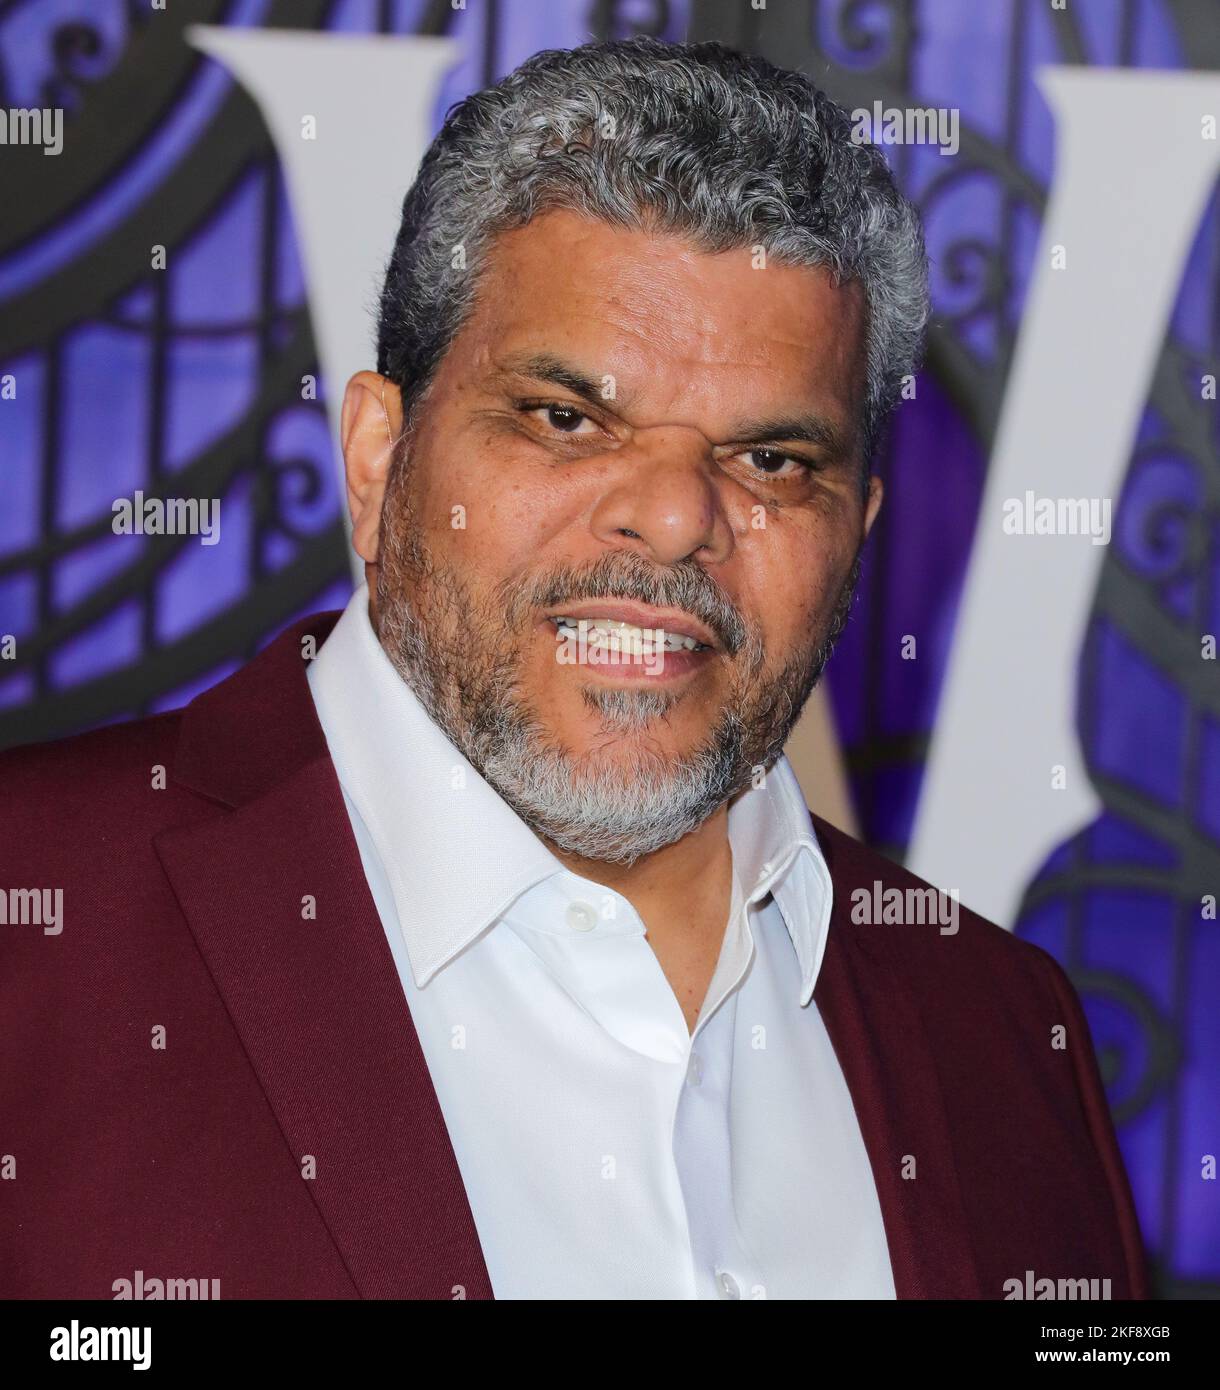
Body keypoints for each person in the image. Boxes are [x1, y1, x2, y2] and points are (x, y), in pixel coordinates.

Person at [0, 37, 1147, 1300]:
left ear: (855, 534)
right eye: (565, 418)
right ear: (379, 458)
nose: (669, 516)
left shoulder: (1001, 1031)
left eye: (770, 460)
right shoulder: (36, 918)